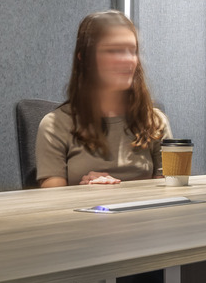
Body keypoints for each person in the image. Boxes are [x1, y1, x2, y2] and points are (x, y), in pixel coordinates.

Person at [35, 10, 172, 188]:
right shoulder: (54, 126)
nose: (128, 60)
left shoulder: (154, 122)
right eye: (113, 51)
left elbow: (168, 195)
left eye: (132, 51)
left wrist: (119, 194)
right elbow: (52, 206)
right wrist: (82, 192)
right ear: (84, 58)